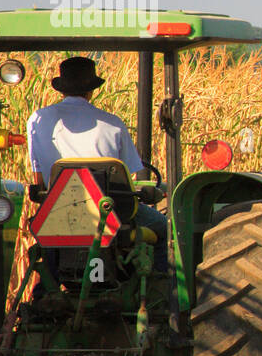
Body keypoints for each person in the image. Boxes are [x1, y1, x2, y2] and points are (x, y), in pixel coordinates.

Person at [27, 56, 170, 272]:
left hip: (58, 213)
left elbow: (38, 180)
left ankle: (49, 285)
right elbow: (129, 176)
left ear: (62, 90)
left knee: (49, 237)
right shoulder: (111, 123)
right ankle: (159, 289)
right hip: (110, 215)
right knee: (164, 228)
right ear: (90, 90)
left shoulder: (37, 120)